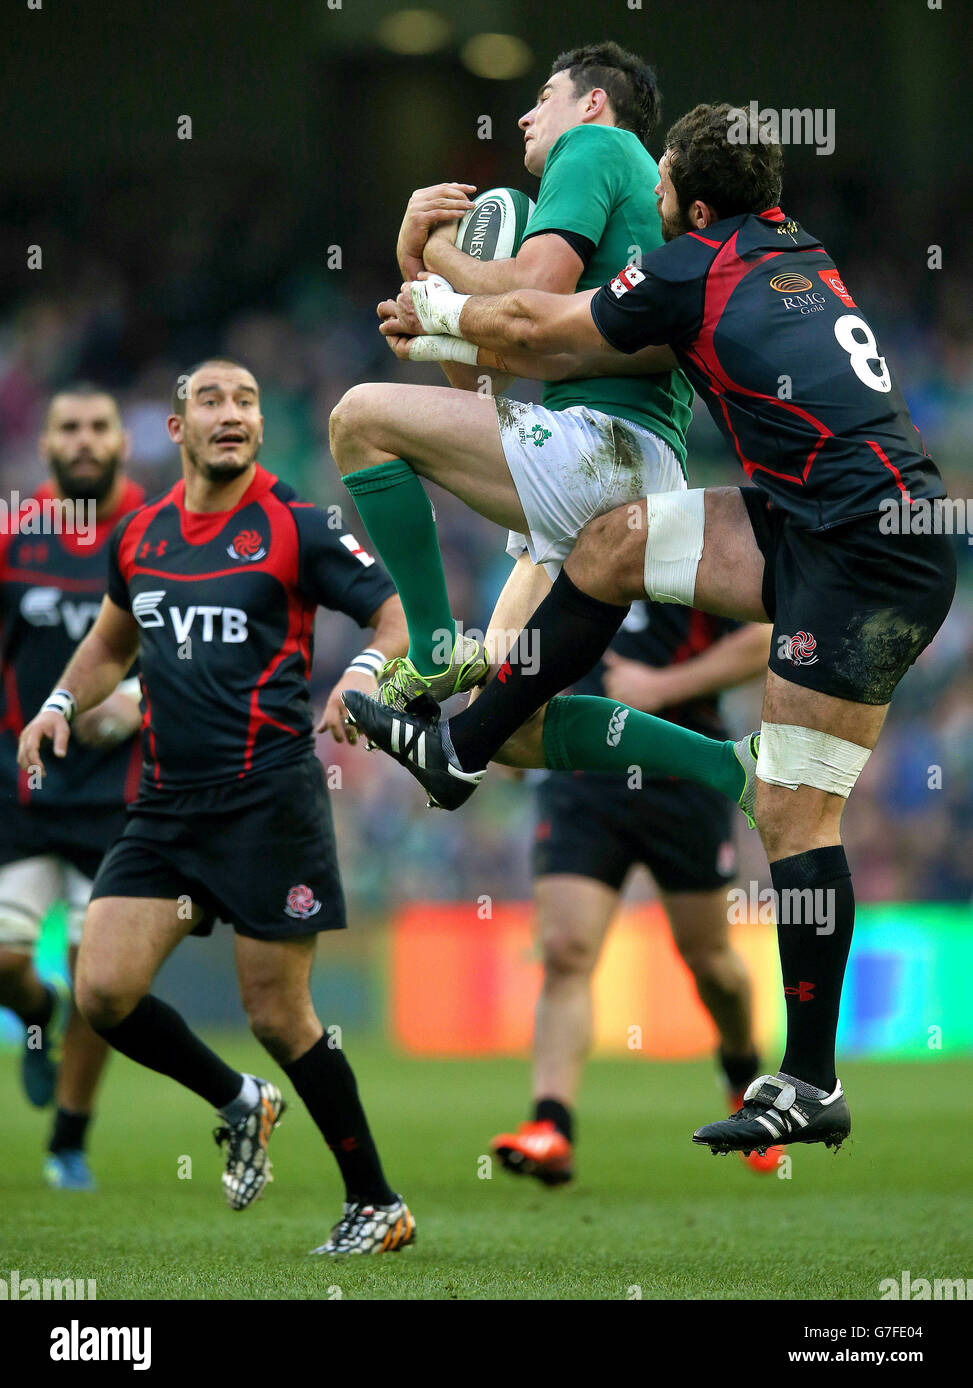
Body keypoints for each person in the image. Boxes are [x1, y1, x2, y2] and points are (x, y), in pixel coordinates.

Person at [344, 104, 955, 1159]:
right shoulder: (794, 250)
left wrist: (433, 276)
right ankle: (460, 749)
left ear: (693, 202)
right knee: (612, 546)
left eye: (665, 179)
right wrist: (450, 332)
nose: (654, 193)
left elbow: (534, 324)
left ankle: (810, 1080)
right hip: (818, 520)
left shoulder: (691, 264)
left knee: (793, 815)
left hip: (860, 552)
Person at [18, 358, 417, 1256]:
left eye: (247, 401)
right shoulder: (141, 535)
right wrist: (59, 705)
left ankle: (375, 1202)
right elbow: (110, 642)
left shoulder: (297, 524)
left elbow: (393, 616)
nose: (231, 413)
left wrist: (362, 674)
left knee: (278, 1015)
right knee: (103, 991)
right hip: (165, 807)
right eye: (211, 400)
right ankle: (239, 1101)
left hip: (268, 802)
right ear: (177, 428)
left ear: (261, 427)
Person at [330, 41, 692, 710]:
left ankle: (432, 646)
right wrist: (422, 276)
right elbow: (478, 382)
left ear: (593, 103)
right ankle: (728, 761)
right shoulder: (633, 190)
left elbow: (535, 289)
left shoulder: (593, 145)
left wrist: (434, 246)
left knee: (357, 418)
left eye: (543, 98)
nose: (526, 117)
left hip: (603, 449)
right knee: (503, 723)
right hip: (640, 471)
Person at [489, 604, 779, 1182]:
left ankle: (742, 1072)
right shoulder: (562, 550)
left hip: (685, 768)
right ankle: (551, 1125)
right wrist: (499, 720)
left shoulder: (708, 550)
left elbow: (770, 637)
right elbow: (519, 630)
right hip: (582, 775)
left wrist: (664, 685)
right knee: (566, 950)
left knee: (709, 960)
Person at [0, 384, 144, 1189]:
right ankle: (33, 1011)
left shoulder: (158, 530)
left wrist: (138, 699)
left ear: (122, 440)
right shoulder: (13, 536)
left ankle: (67, 1141)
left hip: (120, 794)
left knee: (102, 983)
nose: (84, 440)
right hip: (19, 786)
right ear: (46, 444)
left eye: (99, 426)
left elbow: (198, 648)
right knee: (5, 959)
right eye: (69, 428)